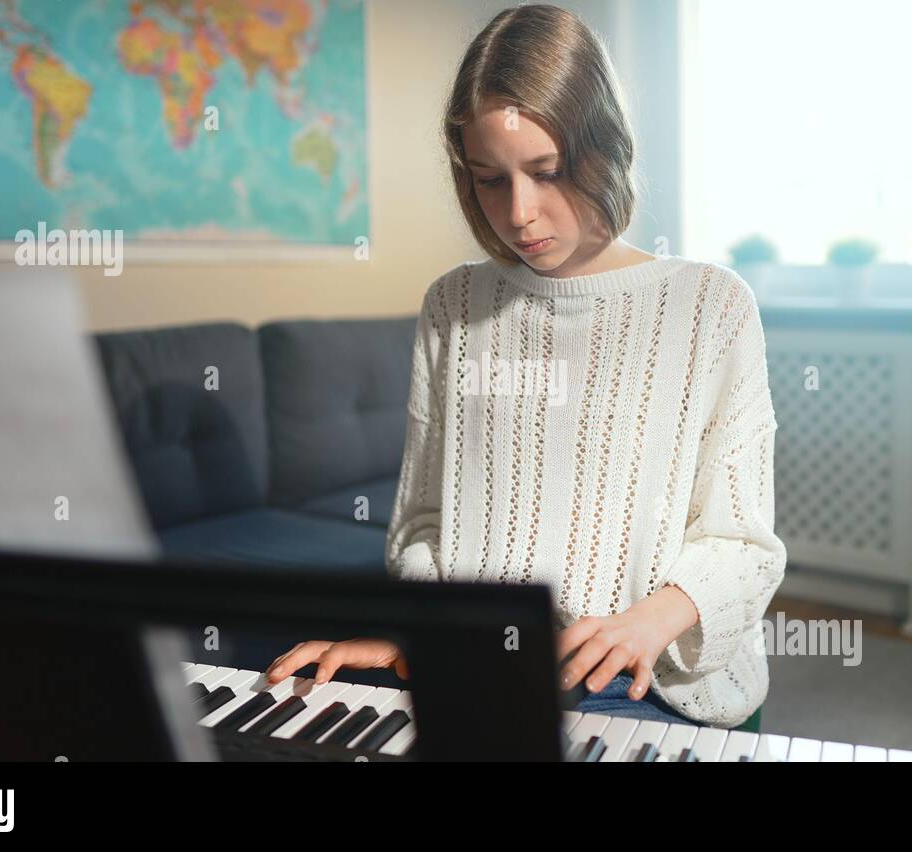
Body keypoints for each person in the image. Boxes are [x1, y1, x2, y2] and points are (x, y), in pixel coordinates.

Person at [266, 4, 785, 733]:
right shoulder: (453, 305)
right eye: (488, 179)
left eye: (547, 172)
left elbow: (743, 544)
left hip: (648, 682)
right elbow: (422, 523)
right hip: (480, 662)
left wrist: (647, 622)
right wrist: (422, 632)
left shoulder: (711, 306)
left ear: (606, 148)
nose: (520, 213)